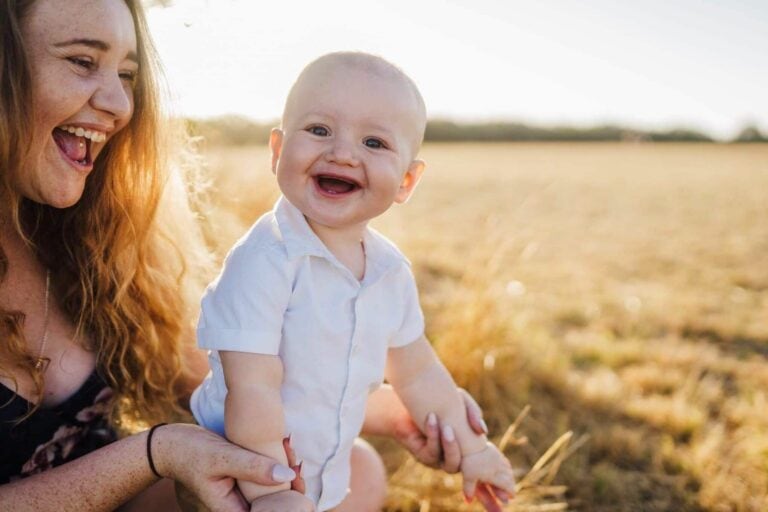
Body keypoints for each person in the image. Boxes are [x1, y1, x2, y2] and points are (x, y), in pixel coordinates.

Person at [0, 2, 493, 511]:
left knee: (358, 471)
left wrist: (381, 408)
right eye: (82, 61)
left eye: (127, 75)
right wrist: (156, 453)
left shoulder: (82, 235)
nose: (120, 105)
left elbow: (225, 377)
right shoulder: (270, 255)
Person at [190, 52, 515, 512]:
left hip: (323, 480)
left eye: (374, 143)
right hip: (236, 483)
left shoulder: (388, 272)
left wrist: (473, 449)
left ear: (406, 181)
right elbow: (253, 390)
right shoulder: (265, 261)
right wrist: (273, 494)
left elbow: (418, 372)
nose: (342, 153)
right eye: (319, 130)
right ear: (278, 151)